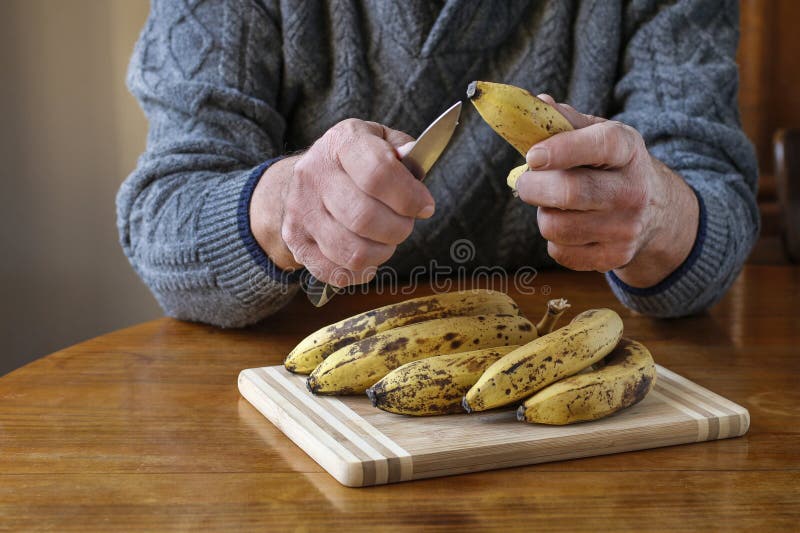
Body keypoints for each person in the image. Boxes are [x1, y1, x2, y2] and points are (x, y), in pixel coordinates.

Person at [117, 0, 759, 328]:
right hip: (304, 399)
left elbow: (717, 198)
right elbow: (160, 219)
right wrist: (283, 205)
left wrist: (659, 214)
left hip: (568, 368)